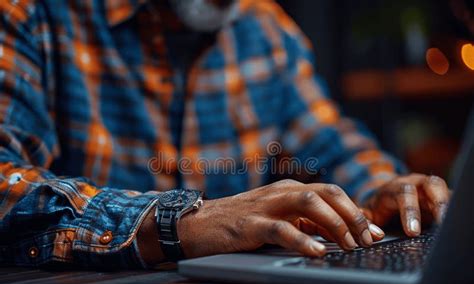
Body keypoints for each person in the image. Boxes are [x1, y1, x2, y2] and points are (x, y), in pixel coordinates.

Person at [0, 0, 450, 268]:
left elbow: (332, 143)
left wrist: (383, 190)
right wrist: (177, 224)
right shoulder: (33, 14)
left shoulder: (264, 26)